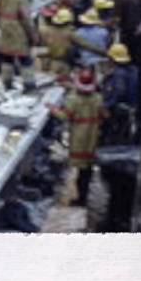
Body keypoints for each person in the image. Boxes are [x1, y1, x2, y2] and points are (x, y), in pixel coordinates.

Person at [55, 68, 106, 207]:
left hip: (79, 135)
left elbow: (64, 116)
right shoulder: (98, 98)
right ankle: (83, 195)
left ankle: (80, 198)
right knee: (87, 168)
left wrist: (52, 109)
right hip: (93, 135)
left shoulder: (73, 99)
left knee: (79, 167)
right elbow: (104, 115)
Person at [0, 0, 38, 90]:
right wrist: (33, 36)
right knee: (25, 59)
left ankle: (7, 83)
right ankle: (29, 85)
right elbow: (26, 20)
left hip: (5, 30)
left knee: (6, 58)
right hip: (18, 31)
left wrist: (1, 26)